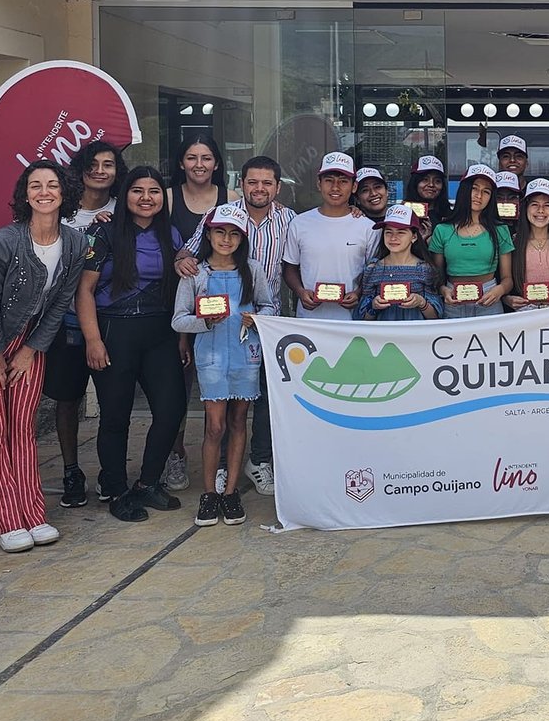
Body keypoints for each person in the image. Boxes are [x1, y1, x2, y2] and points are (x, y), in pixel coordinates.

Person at [0, 161, 86, 552]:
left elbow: (62, 301)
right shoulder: (1, 241)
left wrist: (30, 349)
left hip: (30, 345)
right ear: (25, 195)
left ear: (64, 193)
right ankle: (6, 521)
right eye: (35, 185)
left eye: (52, 185)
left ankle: (33, 514)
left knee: (23, 430)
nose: (44, 192)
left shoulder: (76, 243)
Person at [76, 165, 189, 521]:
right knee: (115, 417)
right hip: (114, 332)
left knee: (171, 411)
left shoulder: (170, 235)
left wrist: (183, 339)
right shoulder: (105, 234)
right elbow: (85, 291)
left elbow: (183, 288)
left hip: (161, 333)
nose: (146, 198)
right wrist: (93, 340)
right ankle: (117, 490)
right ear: (125, 196)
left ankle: (148, 483)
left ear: (162, 197)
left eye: (154, 191)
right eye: (137, 190)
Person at [177, 155, 294, 496]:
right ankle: (223, 470)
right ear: (240, 183)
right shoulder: (220, 216)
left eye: (267, 183)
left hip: (263, 322)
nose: (260, 188)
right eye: (253, 181)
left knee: (261, 399)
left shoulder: (289, 219)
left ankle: (258, 461)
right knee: (221, 407)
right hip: (216, 331)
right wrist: (185, 266)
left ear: (277, 187)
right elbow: (186, 254)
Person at [173, 204, 276, 529]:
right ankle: (209, 493)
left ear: (242, 238)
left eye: (234, 233)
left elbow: (269, 305)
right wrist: (203, 323)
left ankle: (231, 492)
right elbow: (178, 320)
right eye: (220, 232)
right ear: (209, 234)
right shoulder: (197, 274)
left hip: (246, 355)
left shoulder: (253, 270)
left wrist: (258, 319)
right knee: (214, 426)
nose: (226, 239)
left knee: (238, 421)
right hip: (212, 358)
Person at [44, 140, 125, 509]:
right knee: (67, 399)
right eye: (93, 163)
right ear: (79, 168)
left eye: (108, 164)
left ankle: (112, 472)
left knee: (112, 401)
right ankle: (72, 470)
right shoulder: (58, 211)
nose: (100, 170)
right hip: (62, 321)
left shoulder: (122, 211)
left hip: (105, 322)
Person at [163, 133, 228, 492]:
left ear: (216, 163)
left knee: (217, 390)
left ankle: (217, 460)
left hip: (221, 310)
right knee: (176, 388)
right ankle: (175, 455)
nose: (199, 164)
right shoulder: (167, 198)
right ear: (182, 162)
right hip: (175, 307)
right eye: (192, 157)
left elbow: (270, 213)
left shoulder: (230, 199)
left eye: (206, 158)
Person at [282, 151, 379, 322]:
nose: (335, 188)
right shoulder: (299, 223)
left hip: (353, 321)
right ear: (319, 184)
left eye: (343, 181)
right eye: (329, 181)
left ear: (354, 186)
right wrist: (300, 291)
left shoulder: (368, 227)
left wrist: (358, 293)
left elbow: (374, 272)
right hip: (310, 320)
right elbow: (290, 268)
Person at [429, 163, 513, 317]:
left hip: (489, 300)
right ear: (464, 190)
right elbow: (437, 277)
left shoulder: (501, 230)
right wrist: (443, 290)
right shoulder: (442, 229)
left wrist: (499, 290)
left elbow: (508, 279)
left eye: (486, 191)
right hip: (453, 299)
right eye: (474, 188)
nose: (479, 195)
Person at [356, 203, 444, 321]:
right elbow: (362, 318)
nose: (393, 238)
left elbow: (436, 317)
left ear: (414, 237)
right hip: (382, 338)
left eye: (401, 232)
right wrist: (373, 306)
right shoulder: (373, 268)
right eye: (388, 232)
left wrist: (422, 303)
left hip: (416, 336)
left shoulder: (425, 269)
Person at [507, 178, 549, 309]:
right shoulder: (514, 241)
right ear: (526, 208)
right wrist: (508, 299)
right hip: (524, 310)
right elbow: (506, 282)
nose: (541, 210)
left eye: (547, 205)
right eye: (534, 204)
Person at [407, 154, 452, 235]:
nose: (431, 184)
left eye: (437, 181)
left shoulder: (450, 216)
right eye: (425, 179)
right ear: (414, 183)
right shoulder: (404, 213)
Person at [493, 170, 524, 243]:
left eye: (512, 198)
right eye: (499, 197)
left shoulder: (527, 225)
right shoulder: (482, 226)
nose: (505, 202)